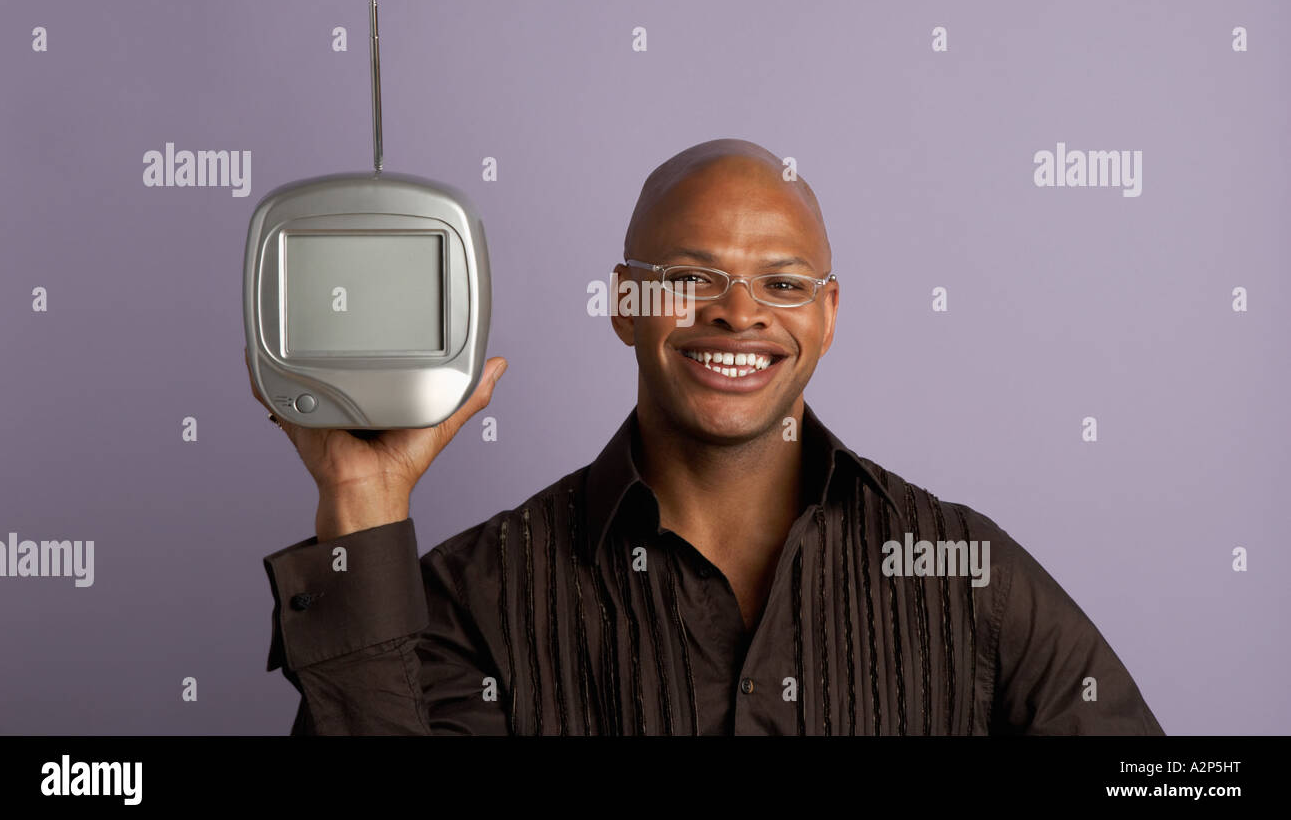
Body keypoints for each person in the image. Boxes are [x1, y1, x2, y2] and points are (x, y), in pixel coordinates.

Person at [252, 138, 1164, 735]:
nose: (738, 315)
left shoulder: (965, 573)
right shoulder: (477, 599)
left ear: (828, 313)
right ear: (623, 304)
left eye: (783, 283)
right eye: (691, 276)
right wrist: (364, 505)